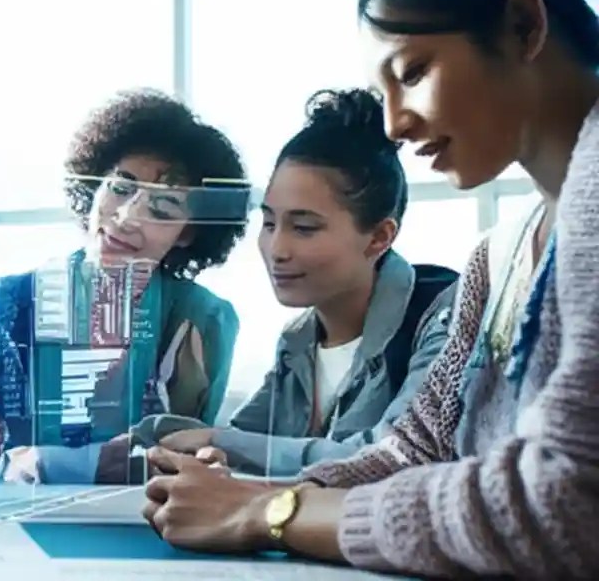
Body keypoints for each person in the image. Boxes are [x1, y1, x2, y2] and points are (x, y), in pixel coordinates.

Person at [141, 0, 599, 580]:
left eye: (412, 72)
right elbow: (414, 451)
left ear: (524, 27)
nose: (395, 123)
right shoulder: (498, 256)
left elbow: (567, 503)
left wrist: (270, 515)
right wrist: (254, 498)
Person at [131, 89, 458, 477]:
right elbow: (237, 439)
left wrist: (220, 445)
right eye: (269, 223)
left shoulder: (442, 316)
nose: (276, 248)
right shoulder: (298, 342)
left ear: (379, 237)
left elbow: (389, 456)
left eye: (304, 228)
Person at [0, 88, 248, 482]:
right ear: (95, 187)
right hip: (13, 522)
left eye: (161, 209)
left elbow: (175, 461)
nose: (126, 217)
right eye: (120, 188)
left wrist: (43, 461)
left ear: (188, 234)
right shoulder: (11, 298)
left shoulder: (204, 318)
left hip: (145, 524)